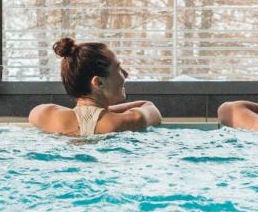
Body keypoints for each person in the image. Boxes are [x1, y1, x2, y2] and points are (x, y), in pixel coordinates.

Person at [28, 37, 162, 138]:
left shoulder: (45, 114)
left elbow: (33, 115)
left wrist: (94, 112)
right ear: (98, 83)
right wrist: (102, 112)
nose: (126, 74)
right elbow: (149, 107)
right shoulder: (127, 121)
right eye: (118, 69)